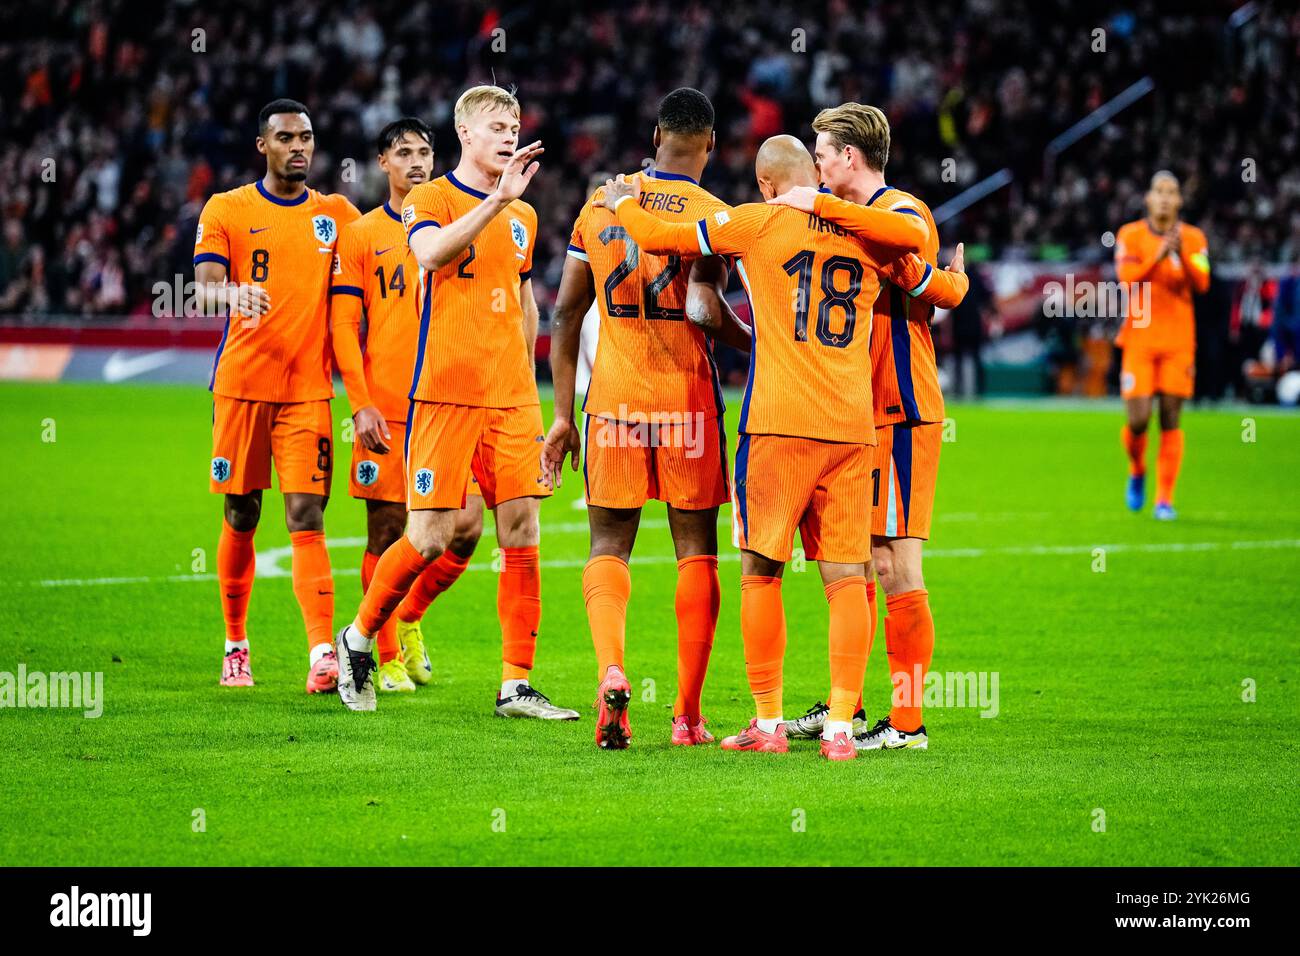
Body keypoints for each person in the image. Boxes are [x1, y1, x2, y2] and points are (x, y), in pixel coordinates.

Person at [597, 134, 931, 761]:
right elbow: (927, 274)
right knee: (846, 579)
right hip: (851, 428)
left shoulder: (755, 223)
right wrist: (956, 282)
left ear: (770, 186)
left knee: (761, 573)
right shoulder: (870, 233)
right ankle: (839, 729)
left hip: (776, 424)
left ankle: (769, 722)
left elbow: (663, 238)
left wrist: (623, 202)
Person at [331, 85, 577, 719]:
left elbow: (523, 300)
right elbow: (431, 254)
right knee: (430, 537)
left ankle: (515, 684)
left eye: (516, 123)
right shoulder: (431, 198)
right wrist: (497, 201)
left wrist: (535, 389)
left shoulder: (525, 216)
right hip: (444, 393)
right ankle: (359, 638)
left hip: (511, 399)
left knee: (522, 530)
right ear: (466, 135)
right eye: (497, 125)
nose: (509, 133)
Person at [541, 88, 750, 749]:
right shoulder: (715, 215)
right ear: (709, 145)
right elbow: (707, 312)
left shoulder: (602, 204)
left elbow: (565, 314)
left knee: (609, 547)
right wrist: (754, 343)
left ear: (656, 133)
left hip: (612, 402)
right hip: (687, 402)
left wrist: (562, 416)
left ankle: (610, 671)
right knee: (697, 551)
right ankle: (687, 716)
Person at [782, 103, 967, 751]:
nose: (817, 164)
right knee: (850, 561)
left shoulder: (904, 209)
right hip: (849, 412)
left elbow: (914, 250)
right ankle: (848, 708)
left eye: (823, 153)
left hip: (902, 409)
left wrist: (947, 286)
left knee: (896, 565)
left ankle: (909, 723)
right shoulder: (842, 217)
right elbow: (937, 286)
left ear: (850, 158)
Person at [194, 99, 360, 691]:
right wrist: (234, 295)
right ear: (261, 145)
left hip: (308, 392)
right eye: (286, 137)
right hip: (240, 387)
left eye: (307, 137)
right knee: (242, 510)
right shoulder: (227, 209)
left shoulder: (338, 214)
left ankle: (322, 651)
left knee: (305, 515)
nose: (299, 147)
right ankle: (236, 644)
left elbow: (388, 247)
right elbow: (203, 290)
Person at [330, 117, 483, 694]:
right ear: (383, 163)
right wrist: (360, 403)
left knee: (464, 528)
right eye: (404, 153)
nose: (417, 162)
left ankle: (410, 614)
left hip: (448, 399)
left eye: (425, 152)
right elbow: (344, 325)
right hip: (389, 406)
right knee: (387, 530)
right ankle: (384, 652)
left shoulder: (457, 223)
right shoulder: (363, 234)